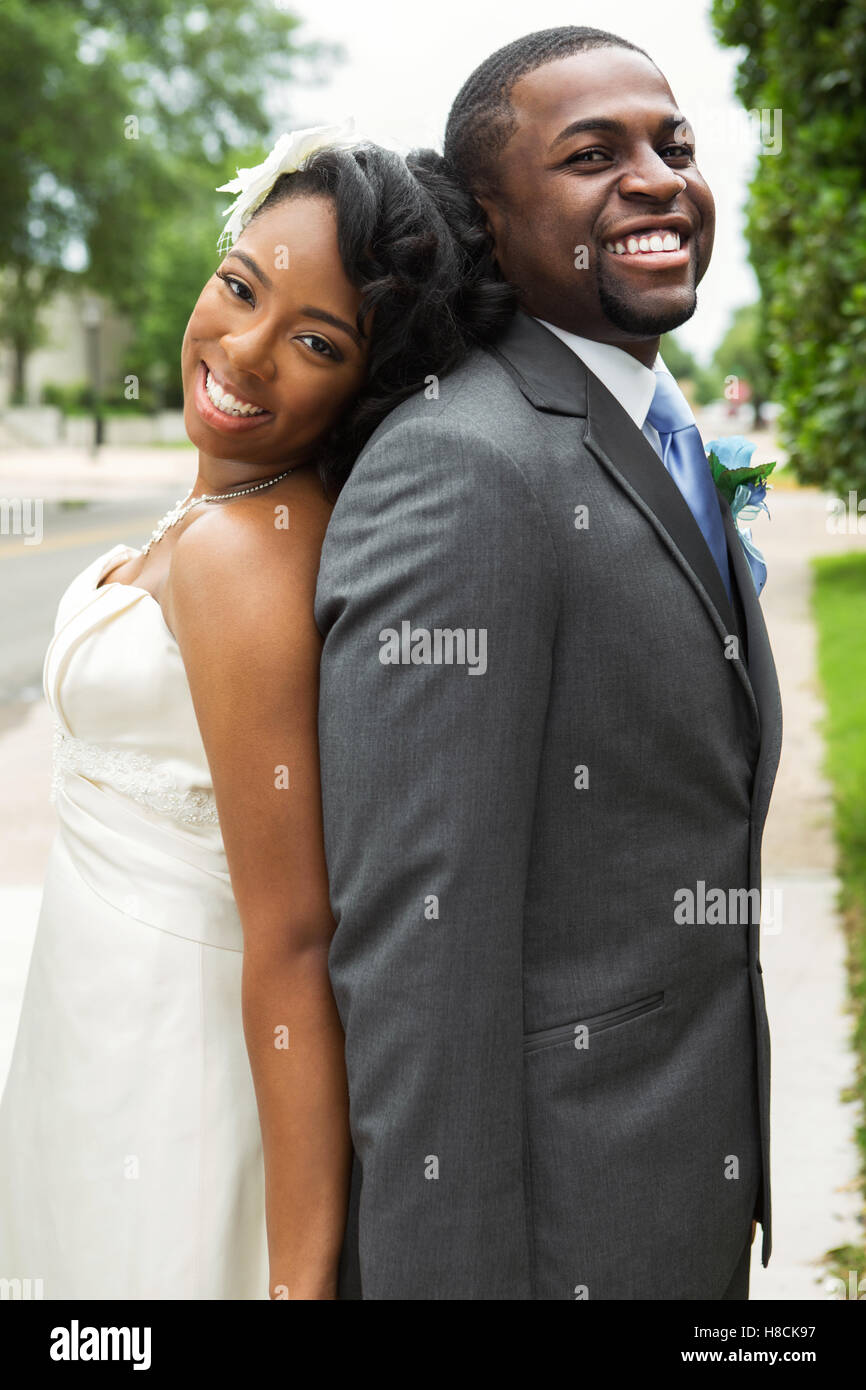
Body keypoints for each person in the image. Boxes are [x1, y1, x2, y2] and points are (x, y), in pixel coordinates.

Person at [0, 125, 514, 1300]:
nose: (242, 349)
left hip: (168, 1070)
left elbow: (291, 941)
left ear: (366, 383)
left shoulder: (246, 555)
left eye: (316, 342)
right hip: (91, 1030)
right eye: (240, 287)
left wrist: (295, 1281)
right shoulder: (225, 511)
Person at [314, 28, 782, 1300]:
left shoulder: (655, 432)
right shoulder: (462, 466)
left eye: (671, 145)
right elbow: (420, 953)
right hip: (554, 1240)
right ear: (487, 215)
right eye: (591, 155)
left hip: (676, 1193)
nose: (654, 178)